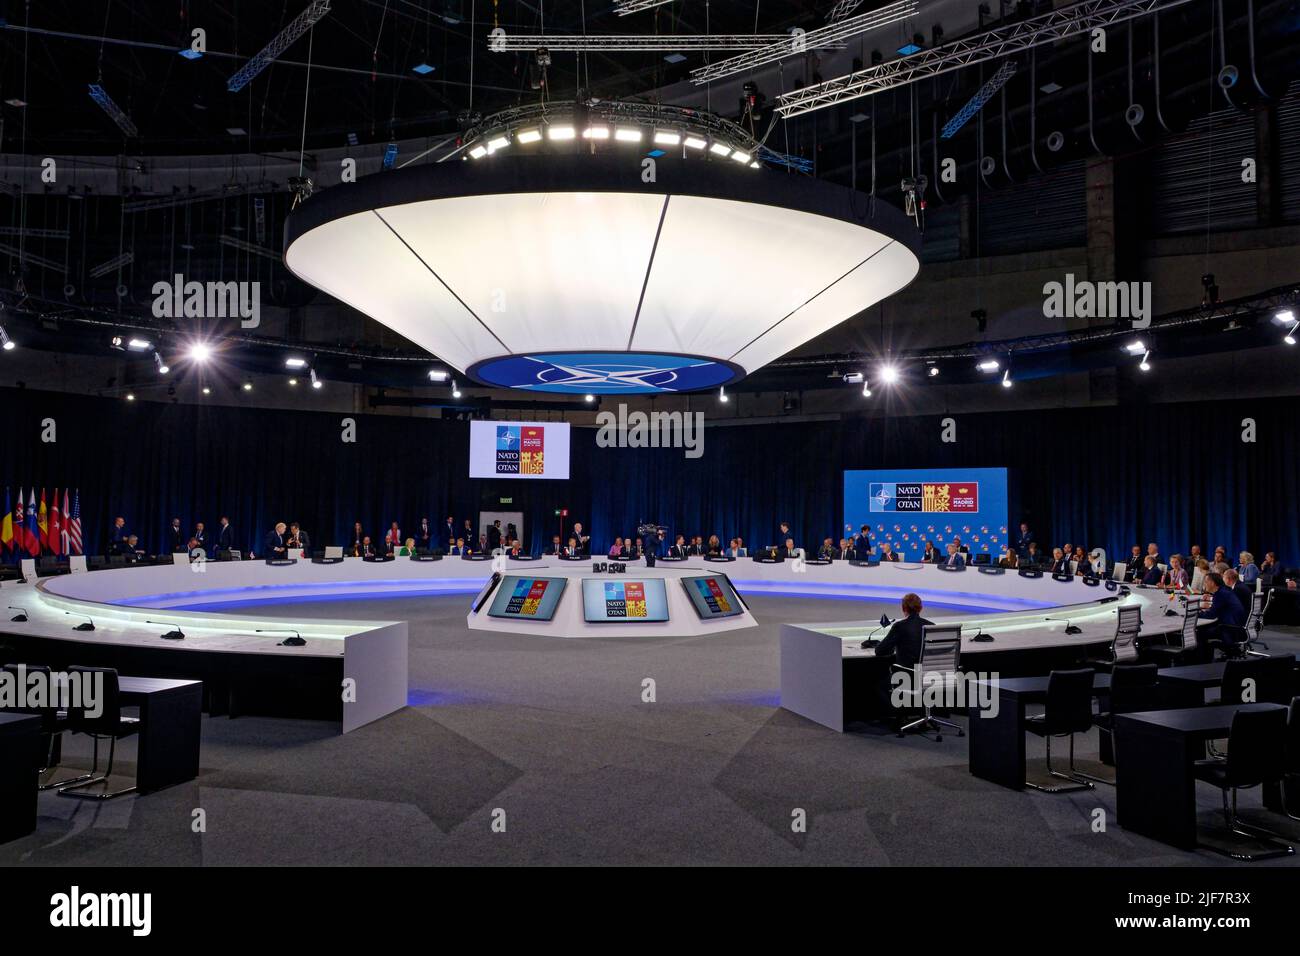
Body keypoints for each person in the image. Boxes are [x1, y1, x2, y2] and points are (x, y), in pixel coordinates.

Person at [875, 592, 933, 669]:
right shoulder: (931, 626)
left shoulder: (899, 626)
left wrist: (893, 647)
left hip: (905, 677)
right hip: (928, 676)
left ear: (903, 608)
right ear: (921, 608)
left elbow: (880, 651)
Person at [1199, 572, 1246, 650]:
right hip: (1237, 627)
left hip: (1229, 630)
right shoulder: (1225, 591)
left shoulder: (1220, 594)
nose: (1204, 584)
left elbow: (1211, 615)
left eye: (1206, 582)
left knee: (1199, 632)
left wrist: (1196, 614)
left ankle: (1202, 660)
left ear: (1212, 583)